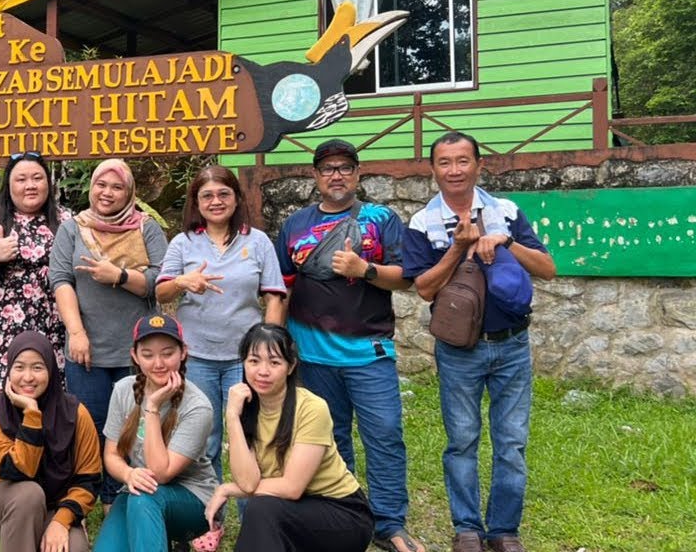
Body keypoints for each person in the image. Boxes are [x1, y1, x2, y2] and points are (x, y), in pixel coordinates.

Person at [402, 132, 556, 552]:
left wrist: (506, 241)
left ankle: (504, 531)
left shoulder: (506, 211)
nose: (454, 170)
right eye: (445, 162)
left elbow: (547, 268)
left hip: (511, 344)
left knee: (511, 442)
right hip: (458, 349)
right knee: (462, 439)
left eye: (463, 161)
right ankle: (467, 529)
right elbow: (424, 289)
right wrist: (458, 248)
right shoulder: (422, 222)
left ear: (479, 165)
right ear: (432, 169)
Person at [272, 139, 424, 552]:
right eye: (327, 169)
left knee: (385, 435)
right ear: (315, 177)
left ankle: (390, 523)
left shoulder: (381, 218)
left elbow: (406, 277)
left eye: (344, 168)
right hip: (312, 355)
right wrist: (276, 341)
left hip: (369, 352)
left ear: (357, 174)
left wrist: (365, 268)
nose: (336, 175)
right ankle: (344, 514)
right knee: (328, 438)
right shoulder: (294, 225)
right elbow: (281, 288)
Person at [155, 165, 285, 519]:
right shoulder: (183, 243)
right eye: (207, 196)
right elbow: (161, 290)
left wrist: (270, 350)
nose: (216, 201)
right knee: (204, 438)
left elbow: (274, 297)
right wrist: (184, 281)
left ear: (236, 198)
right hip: (197, 356)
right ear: (196, 203)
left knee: (250, 436)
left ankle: (253, 516)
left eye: (223, 194)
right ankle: (210, 519)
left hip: (246, 360)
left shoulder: (257, 241)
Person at [49, 158, 167, 503]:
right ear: (91, 187)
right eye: (101, 184)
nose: (107, 193)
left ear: (129, 192)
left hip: (139, 351)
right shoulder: (74, 228)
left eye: (117, 187)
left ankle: (135, 494)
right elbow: (61, 279)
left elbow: (163, 280)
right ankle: (94, 495)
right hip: (87, 347)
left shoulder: (146, 227)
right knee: (90, 424)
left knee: (135, 425)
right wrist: (77, 332)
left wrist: (120, 276)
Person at [206, 323, 374, 552]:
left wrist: (226, 489)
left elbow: (292, 487)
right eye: (254, 361)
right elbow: (248, 481)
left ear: (291, 366)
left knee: (261, 509)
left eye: (274, 362)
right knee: (262, 510)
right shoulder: (246, 409)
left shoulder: (312, 408)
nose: (262, 371)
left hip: (342, 514)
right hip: (291, 509)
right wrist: (232, 417)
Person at [93, 314, 219, 552]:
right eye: (148, 355)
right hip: (137, 491)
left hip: (193, 500)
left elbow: (161, 474)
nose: (158, 363)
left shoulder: (197, 406)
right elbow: (111, 455)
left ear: (183, 353)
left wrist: (151, 407)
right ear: (135, 356)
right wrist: (128, 474)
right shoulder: (122, 390)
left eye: (167, 353)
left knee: (145, 498)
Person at [0, 331, 102, 552]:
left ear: (51, 371)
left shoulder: (76, 414)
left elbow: (88, 480)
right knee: (28, 494)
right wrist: (32, 414)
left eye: (38, 367)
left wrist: (61, 521)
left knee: (75, 548)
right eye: (20, 367)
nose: (28, 377)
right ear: (9, 370)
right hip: (2, 500)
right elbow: (18, 472)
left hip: (54, 505)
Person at [0, 152, 73, 409]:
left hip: (57, 324)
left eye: (37, 178)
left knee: (54, 389)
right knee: (5, 390)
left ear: (48, 182)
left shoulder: (67, 220)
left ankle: (50, 448)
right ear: (9, 186)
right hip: (9, 326)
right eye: (21, 179)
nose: (30, 185)